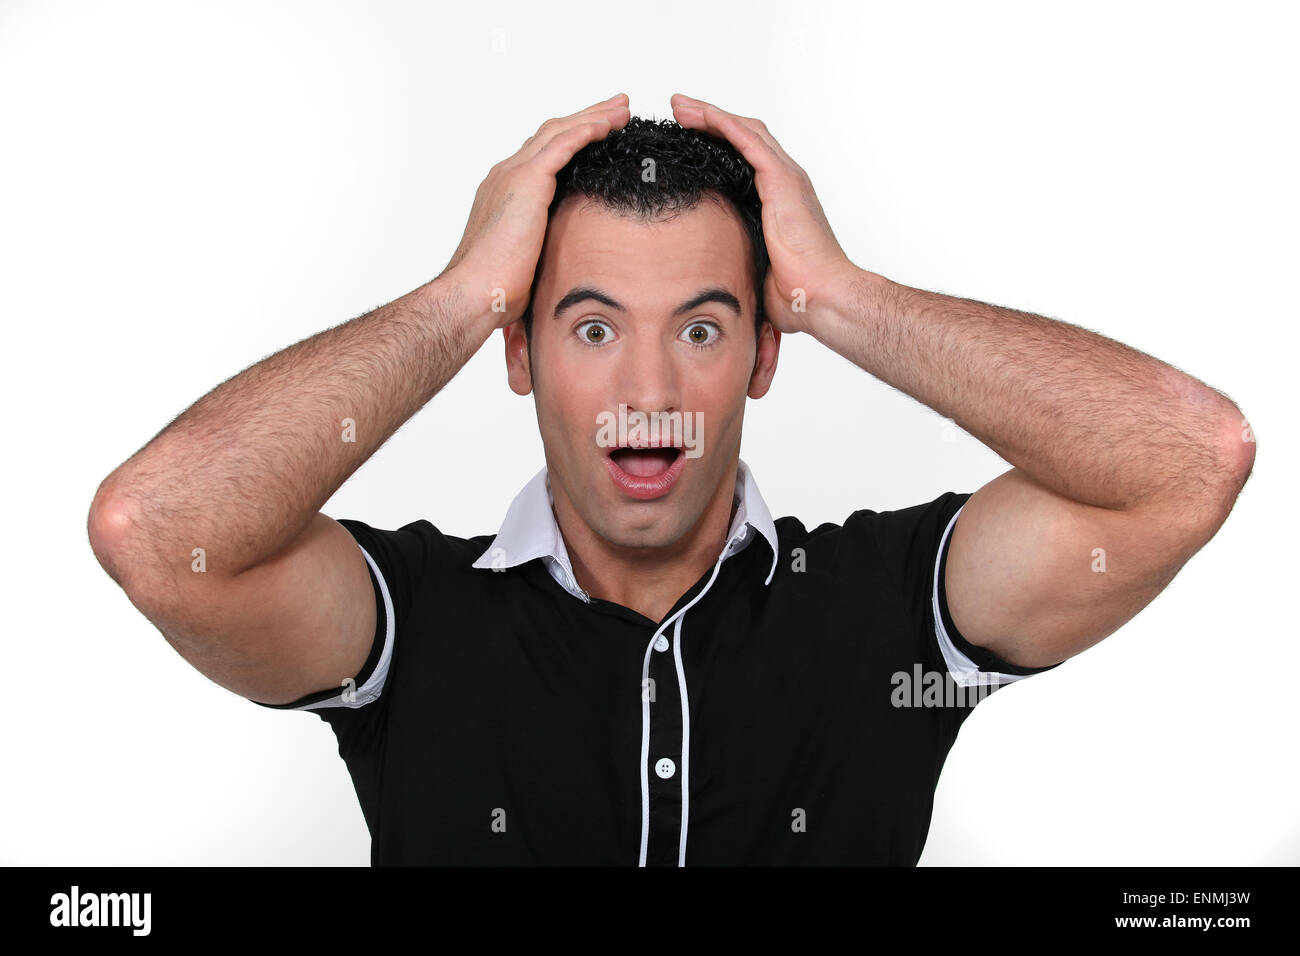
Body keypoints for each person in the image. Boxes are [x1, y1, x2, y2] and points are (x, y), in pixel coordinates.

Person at [87, 92, 1255, 865]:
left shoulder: (883, 612)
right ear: (518, 351)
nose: (645, 384)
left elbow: (1191, 461)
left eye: (700, 328)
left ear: (762, 353)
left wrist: (839, 293)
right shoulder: (413, 622)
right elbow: (153, 527)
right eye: (590, 329)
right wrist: (454, 299)